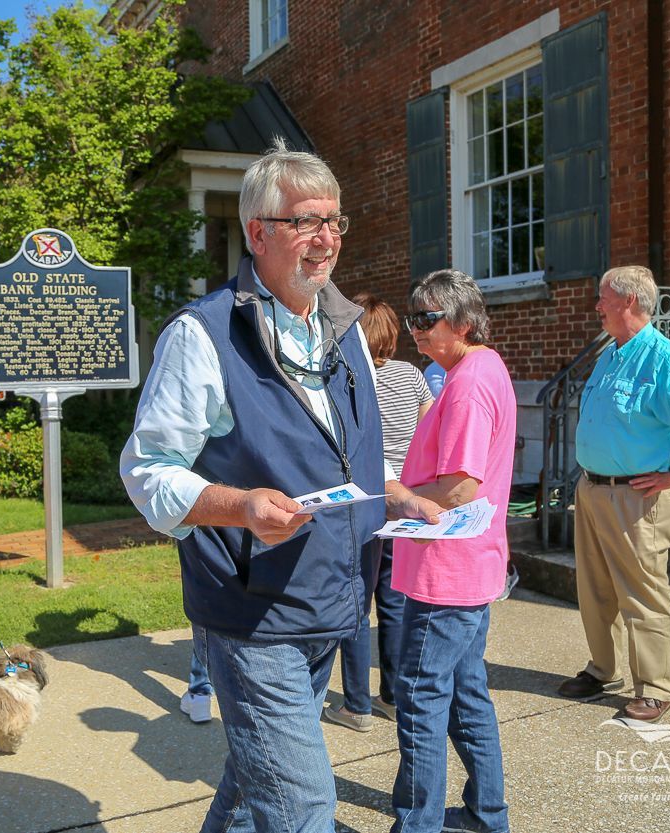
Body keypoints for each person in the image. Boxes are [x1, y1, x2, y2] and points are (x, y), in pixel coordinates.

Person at [120, 139, 440, 833]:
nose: (325, 238)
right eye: (305, 221)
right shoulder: (202, 334)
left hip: (331, 597)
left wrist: (398, 492)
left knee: (251, 785)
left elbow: (346, 451)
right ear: (258, 231)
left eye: (333, 220)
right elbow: (147, 471)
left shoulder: (345, 328)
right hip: (254, 611)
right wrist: (238, 506)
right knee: (299, 807)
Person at [557, 266, 670, 723]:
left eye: (603, 298)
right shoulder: (610, 354)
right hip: (594, 490)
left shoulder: (664, 359)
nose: (597, 306)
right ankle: (603, 669)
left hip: (638, 497)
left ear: (630, 302)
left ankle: (653, 688)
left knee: (642, 594)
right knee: (594, 590)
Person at [391, 269, 516, 833]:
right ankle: (487, 814)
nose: (415, 329)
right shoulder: (479, 368)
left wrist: (396, 498)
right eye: (411, 317)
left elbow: (461, 485)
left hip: (447, 570)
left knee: (419, 697)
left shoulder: (466, 382)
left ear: (463, 322)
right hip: (471, 563)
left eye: (427, 318)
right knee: (467, 694)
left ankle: (416, 825)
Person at [323, 293, 432, 733]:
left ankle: (356, 704)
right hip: (405, 499)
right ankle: (392, 694)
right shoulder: (413, 376)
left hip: (367, 501)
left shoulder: (349, 377)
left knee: (356, 603)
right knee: (394, 604)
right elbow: (428, 432)